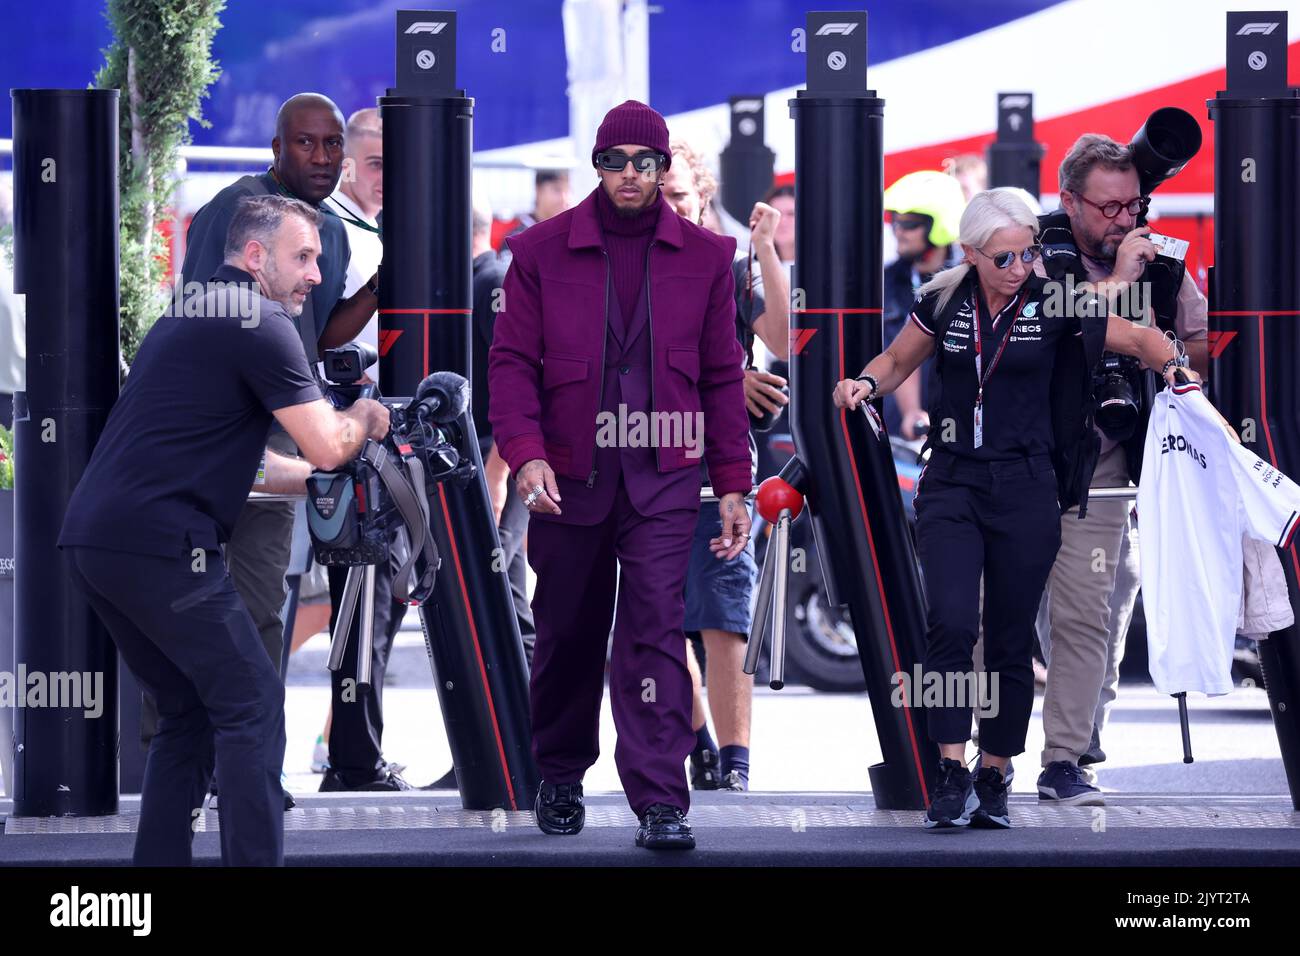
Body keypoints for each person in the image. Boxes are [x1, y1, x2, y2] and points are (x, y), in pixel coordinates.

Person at [833, 188, 1191, 830]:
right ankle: (950, 769)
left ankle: (995, 773)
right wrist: (862, 383)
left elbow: (1135, 336)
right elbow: (895, 361)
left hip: (1028, 484)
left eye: (1028, 252)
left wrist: (1176, 367)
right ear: (971, 253)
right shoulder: (943, 298)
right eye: (1004, 257)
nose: (1020, 266)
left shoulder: (1052, 297)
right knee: (948, 622)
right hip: (951, 481)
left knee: (1007, 635)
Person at [58, 195, 391, 865]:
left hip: (97, 542)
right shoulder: (263, 322)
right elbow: (331, 443)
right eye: (304, 257)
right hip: (162, 544)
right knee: (254, 707)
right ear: (257, 256)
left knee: (187, 714)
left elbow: (250, 463)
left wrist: (324, 475)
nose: (316, 276)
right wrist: (369, 417)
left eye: (319, 259)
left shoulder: (191, 312)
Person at [488, 100, 752, 850]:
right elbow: (510, 364)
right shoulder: (539, 251)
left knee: (655, 633)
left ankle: (662, 799)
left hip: (665, 477)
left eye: (645, 162)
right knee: (566, 631)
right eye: (615, 161)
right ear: (596, 166)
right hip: (567, 474)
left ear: (665, 169)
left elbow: (722, 379)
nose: (629, 174)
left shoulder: (708, 258)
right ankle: (561, 774)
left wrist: (732, 483)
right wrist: (526, 449)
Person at [169, 95, 381, 782]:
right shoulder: (239, 208)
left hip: (282, 445)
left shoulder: (336, 233)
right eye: (305, 144)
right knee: (202, 614)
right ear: (276, 146)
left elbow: (317, 335)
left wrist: (385, 282)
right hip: (220, 444)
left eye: (330, 147)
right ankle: (197, 769)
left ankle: (254, 775)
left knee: (264, 612)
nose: (321, 158)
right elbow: (208, 314)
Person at [1031, 134, 1208, 805]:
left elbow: (1198, 345)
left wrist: (1168, 362)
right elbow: (1040, 324)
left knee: (1094, 615)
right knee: (996, 619)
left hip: (1108, 457)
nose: (1124, 221)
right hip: (1026, 455)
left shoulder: (1163, 262)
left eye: (1133, 206)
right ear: (1070, 201)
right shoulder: (1034, 250)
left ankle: (1070, 755)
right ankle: (975, 760)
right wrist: (1118, 286)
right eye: (1108, 208)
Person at [661, 137, 789, 792]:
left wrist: (766, 249)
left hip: (722, 476)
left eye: (679, 195)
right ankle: (702, 742)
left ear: (704, 197)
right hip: (644, 470)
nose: (668, 208)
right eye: (658, 196)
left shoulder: (733, 265)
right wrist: (726, 382)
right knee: (656, 623)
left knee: (724, 614)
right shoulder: (620, 265)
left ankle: (733, 762)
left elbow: (786, 338)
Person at [881, 171, 966, 439]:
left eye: (910, 224)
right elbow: (898, 355)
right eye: (896, 222)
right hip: (897, 436)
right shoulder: (884, 283)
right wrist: (911, 413)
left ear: (939, 226)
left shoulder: (971, 282)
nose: (898, 232)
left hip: (961, 432)